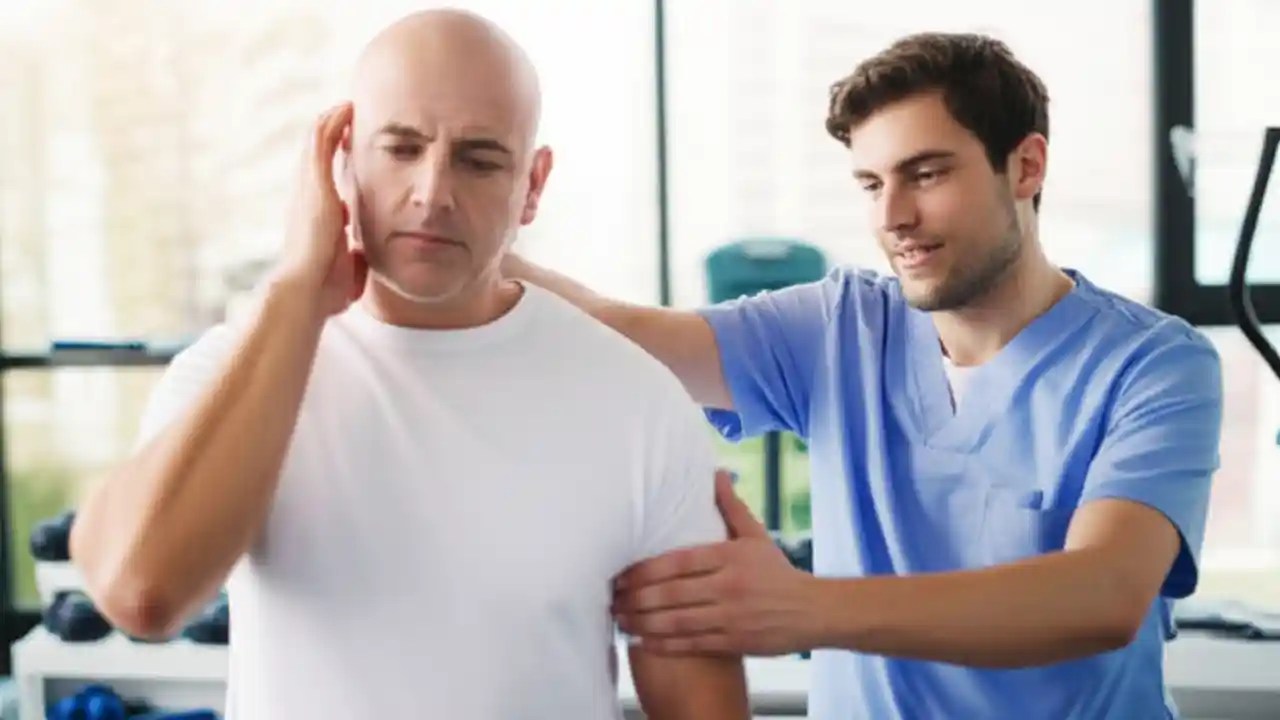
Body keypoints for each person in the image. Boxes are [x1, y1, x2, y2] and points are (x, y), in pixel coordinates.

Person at [507, 32, 1224, 719]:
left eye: (927, 174)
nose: (893, 217)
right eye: (871, 183)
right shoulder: (840, 327)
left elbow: (1101, 596)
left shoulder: (1154, 365)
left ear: (1027, 166)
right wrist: (449, 243)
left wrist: (803, 606)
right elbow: (615, 328)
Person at [68, 9, 749, 720]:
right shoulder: (232, 374)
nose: (433, 192)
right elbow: (142, 592)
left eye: (479, 159)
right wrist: (298, 291)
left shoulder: (632, 398)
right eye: (400, 148)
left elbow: (699, 701)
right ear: (339, 160)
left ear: (534, 184)